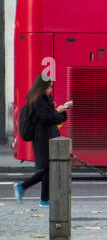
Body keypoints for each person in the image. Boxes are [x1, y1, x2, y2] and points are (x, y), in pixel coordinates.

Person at [14, 75, 71, 207]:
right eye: (50, 86)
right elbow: (47, 118)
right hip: (43, 139)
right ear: (43, 86)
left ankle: (36, 195)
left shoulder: (44, 98)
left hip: (48, 137)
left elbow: (53, 118)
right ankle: (37, 196)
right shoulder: (39, 99)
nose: (51, 88)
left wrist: (61, 111)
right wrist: (58, 111)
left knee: (49, 169)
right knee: (49, 168)